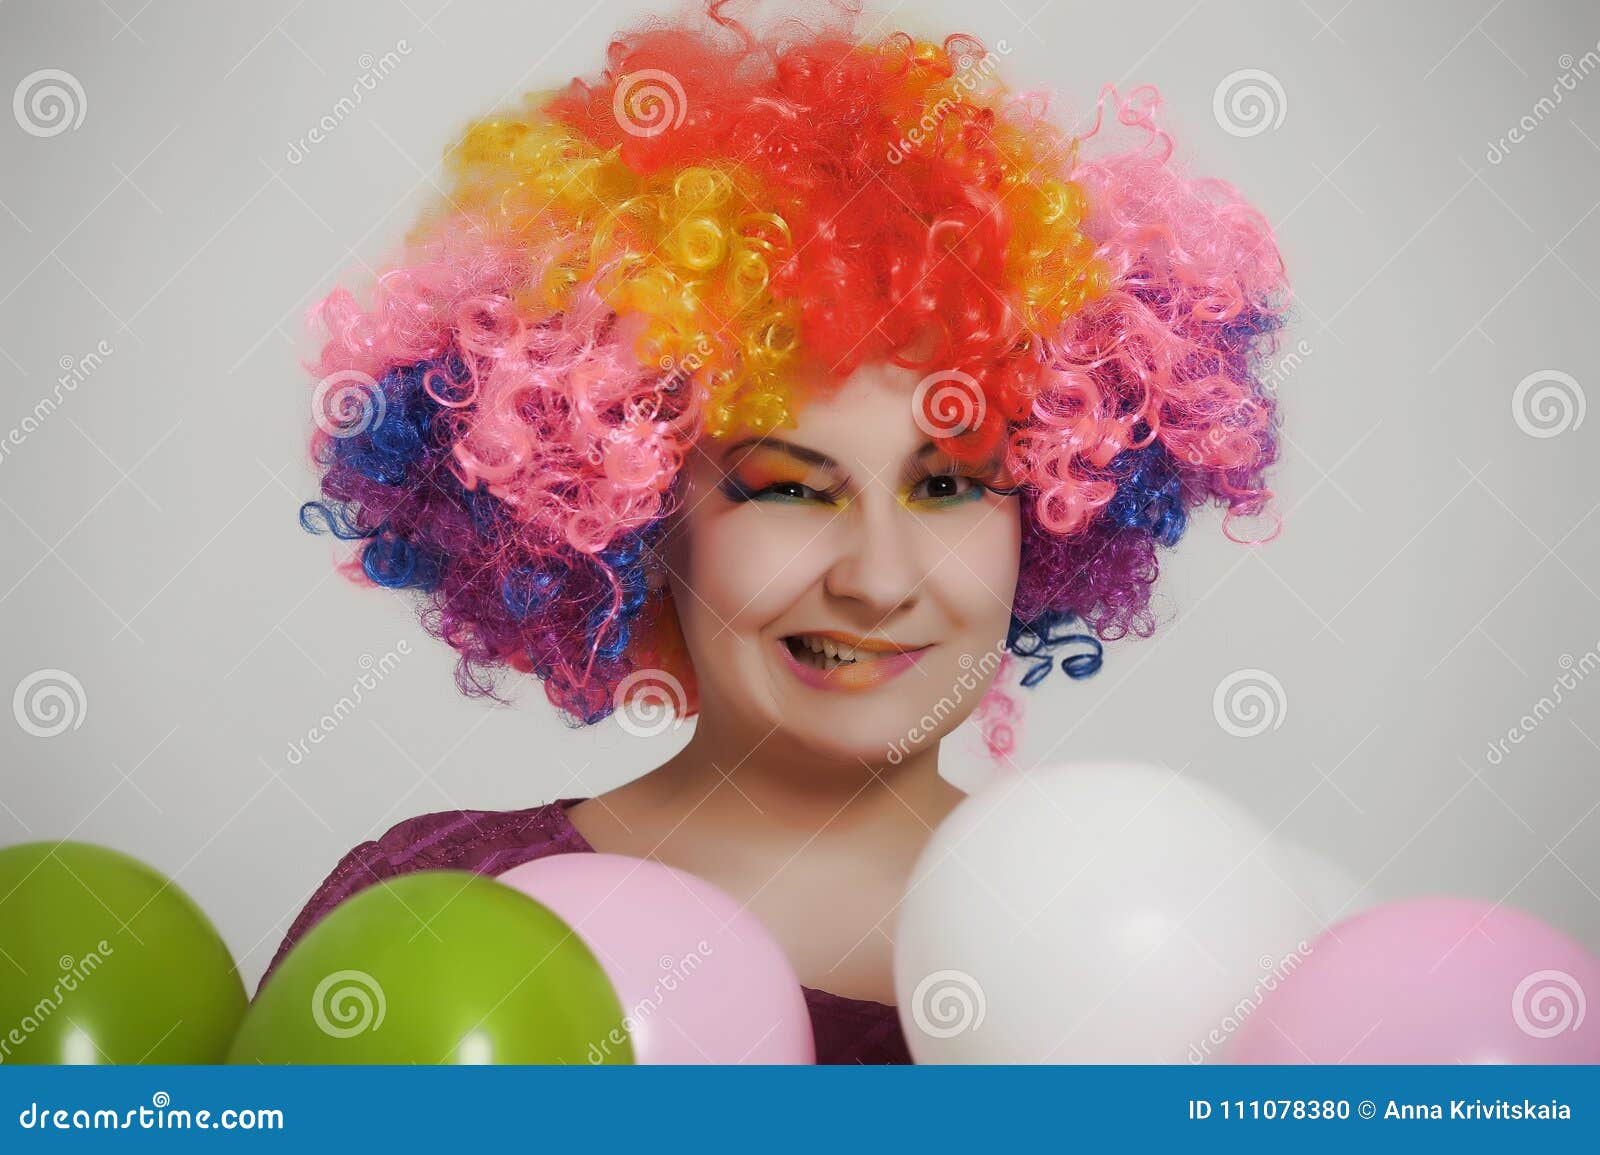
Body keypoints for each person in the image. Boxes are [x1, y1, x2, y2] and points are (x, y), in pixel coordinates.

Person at [264, 0, 1291, 1063]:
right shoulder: (443, 912)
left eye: (948, 488)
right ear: (636, 521)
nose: (879, 578)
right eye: (792, 492)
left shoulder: (1165, 948)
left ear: (1053, 510)